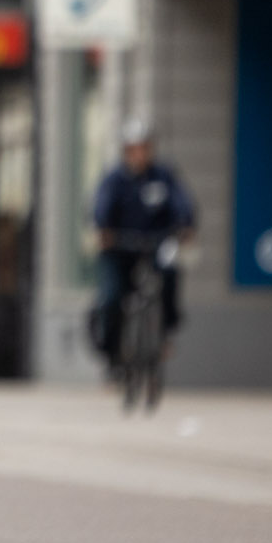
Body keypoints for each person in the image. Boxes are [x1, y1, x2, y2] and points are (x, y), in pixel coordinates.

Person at [91, 119, 196, 369]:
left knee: (170, 272)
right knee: (111, 297)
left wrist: (185, 225)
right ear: (126, 151)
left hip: (157, 243)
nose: (139, 154)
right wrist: (104, 228)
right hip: (120, 246)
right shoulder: (114, 179)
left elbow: (181, 201)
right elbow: (101, 206)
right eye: (134, 149)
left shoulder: (163, 176)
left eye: (144, 148)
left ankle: (166, 328)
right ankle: (111, 351)